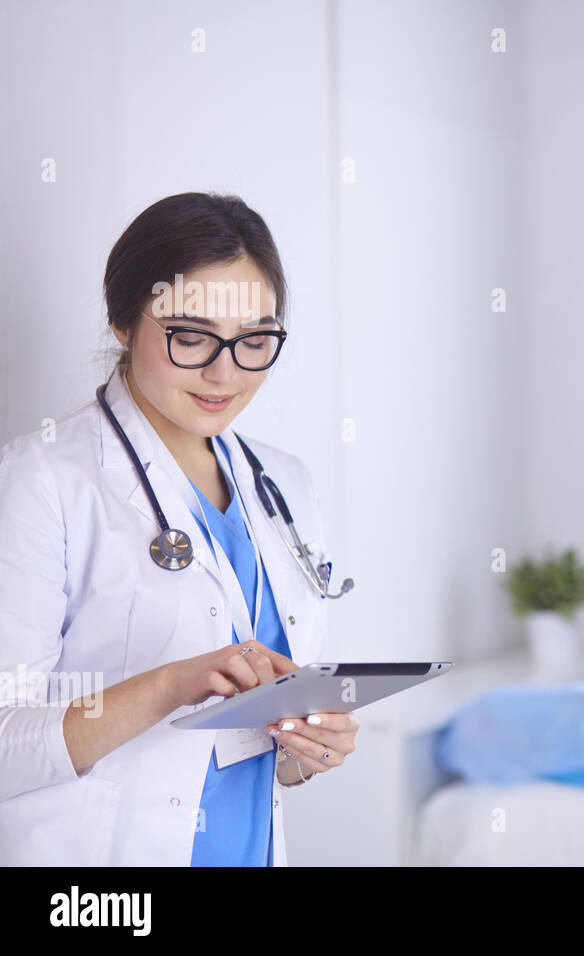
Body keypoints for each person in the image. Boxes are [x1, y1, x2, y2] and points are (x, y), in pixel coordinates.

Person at [0, 192, 357, 866]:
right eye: (190, 336)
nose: (225, 372)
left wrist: (307, 750)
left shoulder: (284, 484)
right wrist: (167, 686)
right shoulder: (40, 481)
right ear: (121, 322)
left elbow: (247, 744)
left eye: (254, 340)